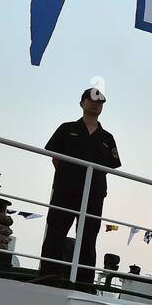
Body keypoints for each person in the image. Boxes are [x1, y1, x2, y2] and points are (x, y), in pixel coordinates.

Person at [39, 87, 121, 287]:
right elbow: (56, 158)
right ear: (82, 103)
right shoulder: (67, 129)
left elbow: (110, 167)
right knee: (56, 232)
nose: (96, 103)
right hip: (65, 190)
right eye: (91, 99)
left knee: (88, 236)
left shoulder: (107, 138)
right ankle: (49, 275)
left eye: (100, 101)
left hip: (94, 194)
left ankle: (84, 281)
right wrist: (69, 177)